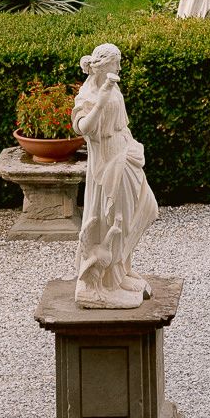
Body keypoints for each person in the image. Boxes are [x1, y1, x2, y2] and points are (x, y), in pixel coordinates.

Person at [72, 42, 159, 310]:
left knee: (145, 209)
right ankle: (105, 283)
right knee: (115, 218)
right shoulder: (89, 93)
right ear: (103, 65)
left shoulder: (113, 85)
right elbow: (82, 128)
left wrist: (132, 145)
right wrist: (101, 99)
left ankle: (121, 269)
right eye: (116, 62)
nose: (120, 68)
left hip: (125, 152)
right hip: (107, 163)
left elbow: (121, 122)